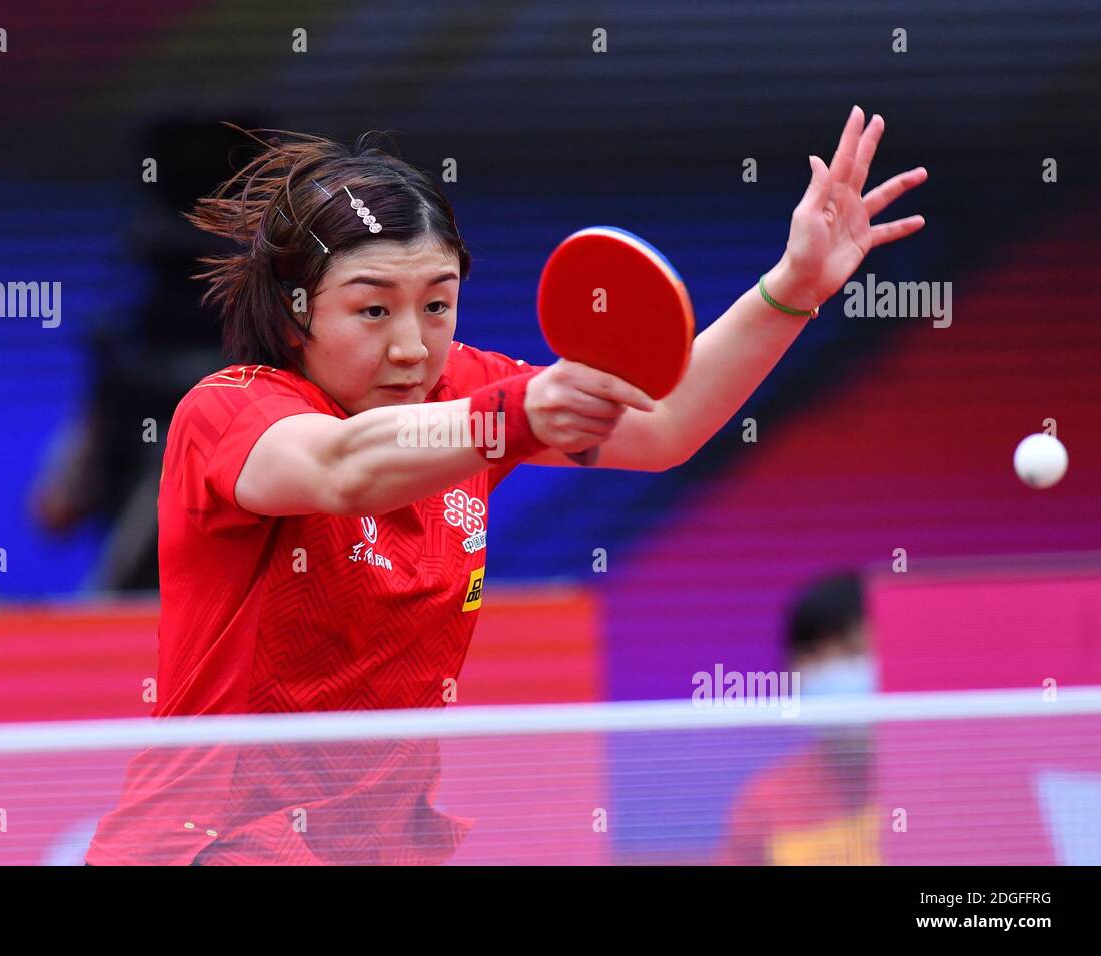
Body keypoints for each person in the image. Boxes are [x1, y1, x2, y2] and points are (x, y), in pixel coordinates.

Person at [87, 108, 926, 865]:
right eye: (372, 310)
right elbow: (341, 468)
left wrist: (790, 291)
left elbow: (665, 427)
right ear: (298, 311)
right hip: (210, 847)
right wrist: (518, 412)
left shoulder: (466, 390)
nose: (414, 346)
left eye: (438, 305)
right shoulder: (227, 411)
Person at [717, 572, 882, 865]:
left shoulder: (940, 786)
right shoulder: (765, 800)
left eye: (852, 650)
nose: (831, 669)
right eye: (812, 655)